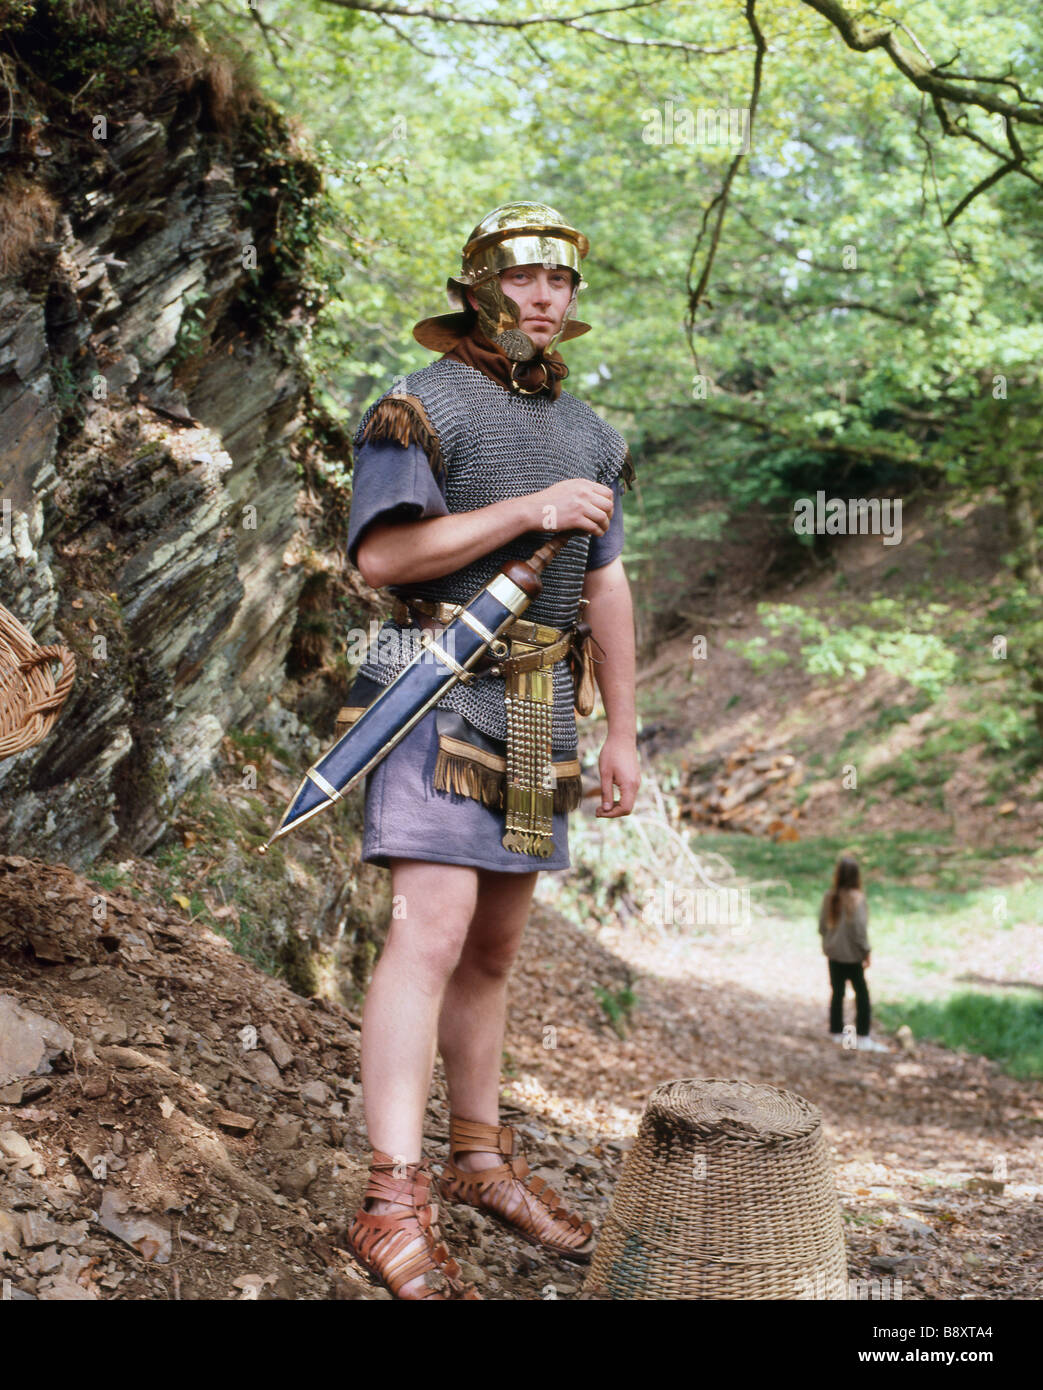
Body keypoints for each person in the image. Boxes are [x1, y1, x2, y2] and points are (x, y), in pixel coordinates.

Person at [337, 202, 640, 1299]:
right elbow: (385, 557)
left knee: (494, 951)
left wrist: (621, 729)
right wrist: (531, 508)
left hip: (537, 713)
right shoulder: (417, 410)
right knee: (430, 934)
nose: (545, 299)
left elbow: (603, 579)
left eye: (560, 282)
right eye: (523, 279)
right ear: (476, 286)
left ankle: (474, 1157)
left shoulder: (594, 432)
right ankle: (388, 1199)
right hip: (434, 694)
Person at [818, 854, 887, 1052]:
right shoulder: (857, 899)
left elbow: (822, 926)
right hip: (852, 957)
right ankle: (863, 1035)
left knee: (837, 992)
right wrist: (866, 951)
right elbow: (859, 929)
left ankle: (836, 1031)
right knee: (862, 995)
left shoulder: (829, 897)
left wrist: (829, 944)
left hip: (834, 955)